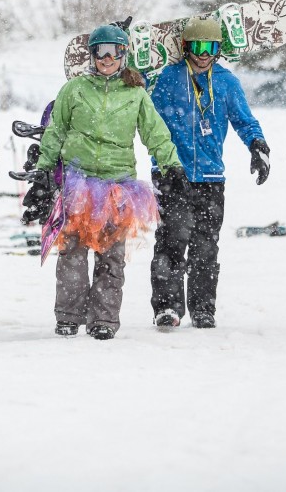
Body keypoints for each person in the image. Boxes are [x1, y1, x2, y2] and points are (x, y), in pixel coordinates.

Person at [30, 24, 184, 340]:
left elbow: (155, 133)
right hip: (78, 185)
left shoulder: (135, 93)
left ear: (124, 55)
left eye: (114, 51)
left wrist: (172, 166)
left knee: (111, 257)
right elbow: (56, 130)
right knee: (72, 254)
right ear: (92, 55)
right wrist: (43, 172)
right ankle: (69, 316)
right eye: (101, 51)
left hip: (118, 186)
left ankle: (104, 318)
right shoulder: (74, 90)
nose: (107, 58)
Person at [147, 17, 271, 330]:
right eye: (198, 46)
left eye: (211, 47)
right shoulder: (168, 79)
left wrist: (257, 146)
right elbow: (146, 119)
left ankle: (203, 307)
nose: (204, 53)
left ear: (218, 49)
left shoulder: (227, 82)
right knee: (171, 241)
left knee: (206, 246)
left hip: (212, 178)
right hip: (172, 173)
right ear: (186, 47)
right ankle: (167, 307)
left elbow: (244, 120)